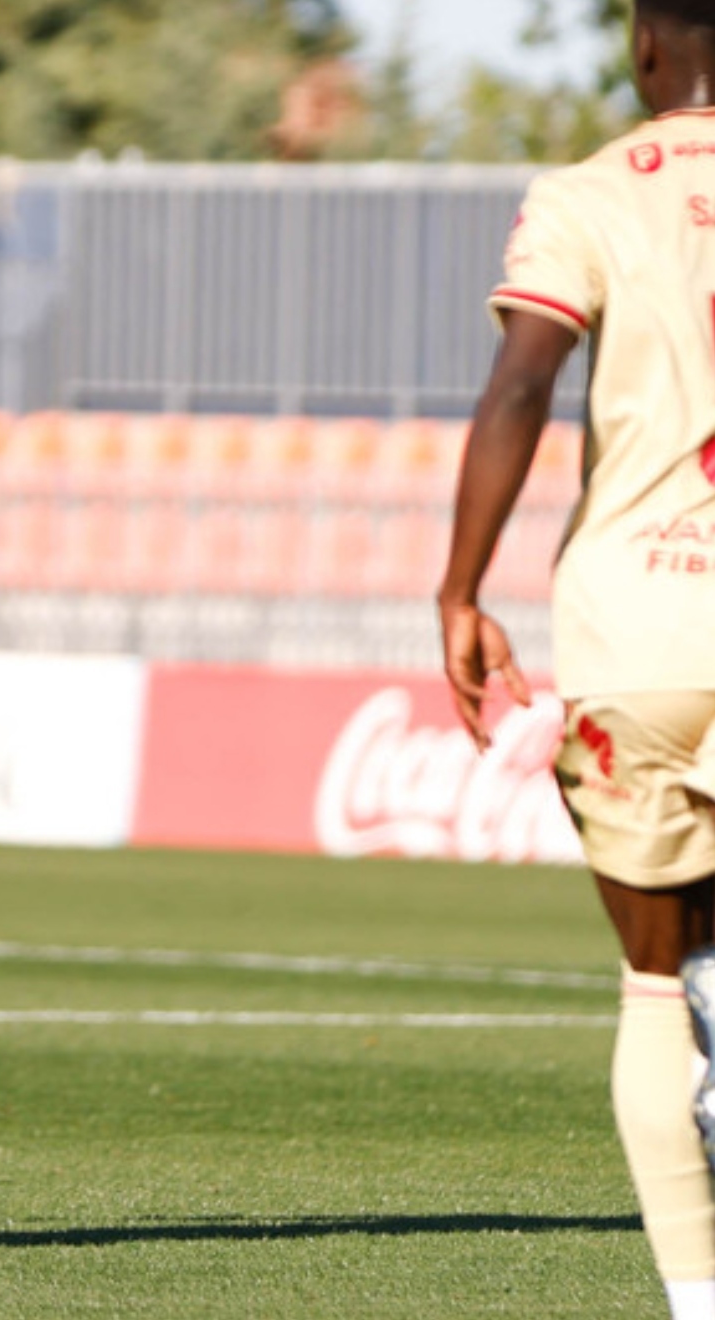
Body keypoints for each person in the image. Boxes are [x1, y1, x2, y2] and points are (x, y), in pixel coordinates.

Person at [439, 4, 715, 1316]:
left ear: (651, 46)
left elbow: (519, 385)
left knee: (653, 980)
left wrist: (460, 588)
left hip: (641, 632)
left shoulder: (591, 194)